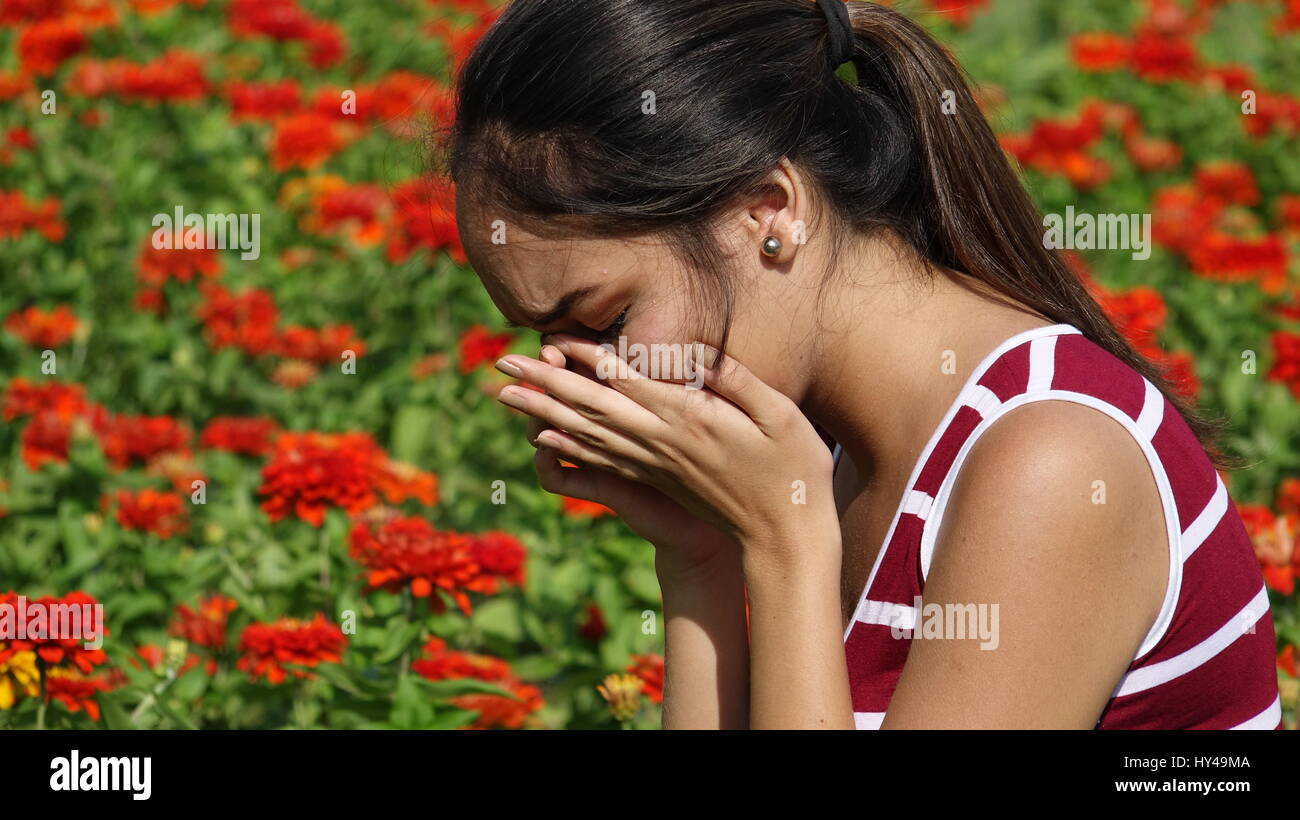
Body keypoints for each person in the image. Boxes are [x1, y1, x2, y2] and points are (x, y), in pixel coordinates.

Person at [442, 0, 1281, 729]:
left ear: (769, 210)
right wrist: (697, 556)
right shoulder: (827, 439)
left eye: (603, 320)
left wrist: (785, 541)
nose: (576, 382)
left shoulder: (1049, 461)